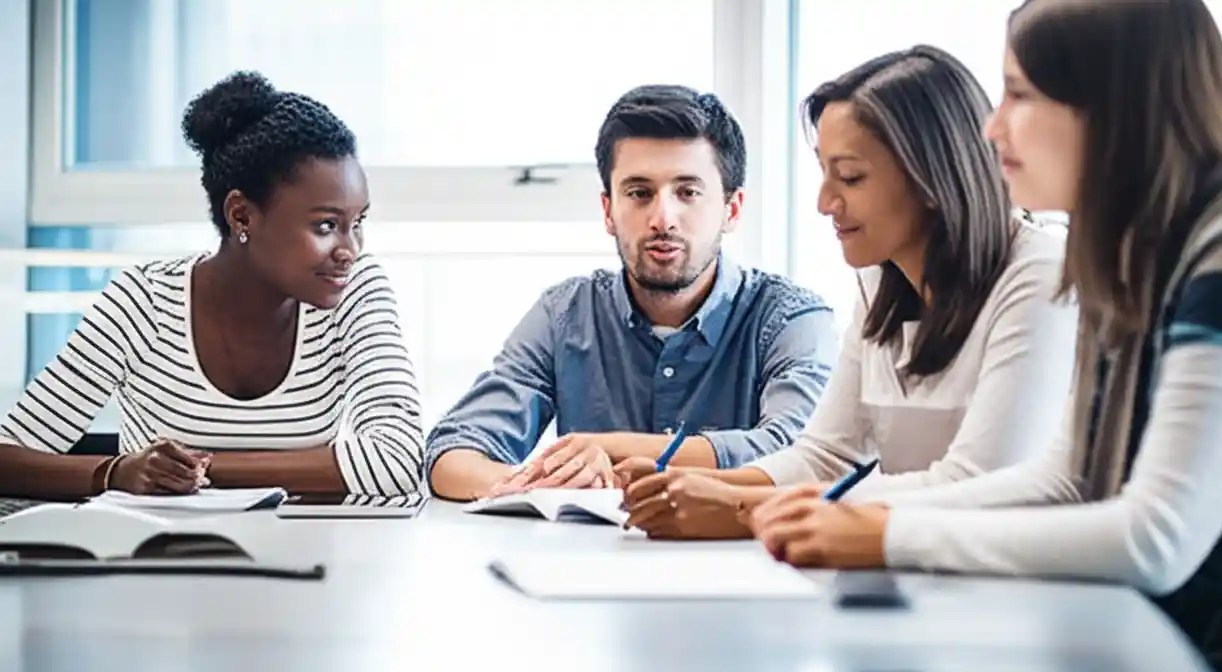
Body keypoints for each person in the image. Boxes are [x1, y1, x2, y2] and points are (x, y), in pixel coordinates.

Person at [753, 2, 1222, 672]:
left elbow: (1156, 538)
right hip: (1133, 654)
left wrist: (889, 532)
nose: (993, 127)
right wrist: (849, 516)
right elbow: (1067, 479)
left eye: (1020, 95)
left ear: (1111, 103)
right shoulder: (1123, 256)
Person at [619, 46, 1076, 539]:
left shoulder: (1041, 277)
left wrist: (741, 507)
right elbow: (826, 454)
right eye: (823, 171)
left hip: (1011, 586)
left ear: (930, 176)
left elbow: (977, 486)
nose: (824, 202)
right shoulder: (883, 281)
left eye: (851, 177)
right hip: (918, 568)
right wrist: (689, 488)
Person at [0, 71, 424, 499]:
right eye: (326, 225)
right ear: (241, 215)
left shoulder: (356, 290)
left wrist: (198, 468)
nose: (349, 248)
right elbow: (8, 457)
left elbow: (399, 460)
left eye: (358, 223)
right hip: (155, 557)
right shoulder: (146, 301)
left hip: (306, 560)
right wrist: (116, 473)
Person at [426, 85, 836, 501]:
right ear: (608, 210)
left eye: (688, 193)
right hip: (590, 561)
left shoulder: (792, 318)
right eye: (639, 193)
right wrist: (546, 485)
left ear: (732, 209)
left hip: (744, 563)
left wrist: (614, 447)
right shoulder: (564, 315)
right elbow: (452, 451)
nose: (662, 218)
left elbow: (807, 455)